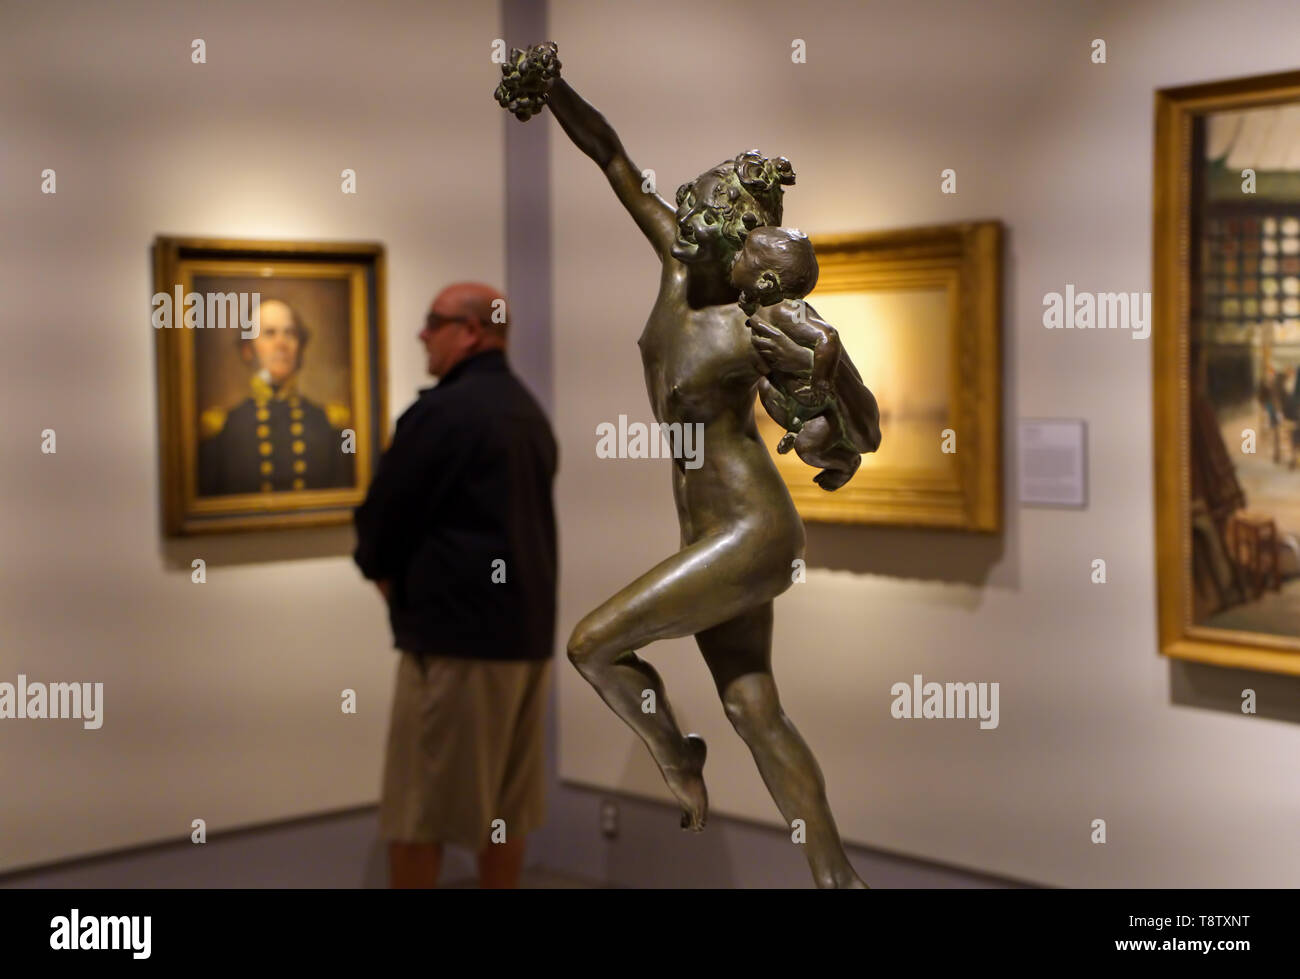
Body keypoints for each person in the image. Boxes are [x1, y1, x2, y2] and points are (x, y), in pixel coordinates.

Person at [499, 43, 874, 887]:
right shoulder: (674, 263)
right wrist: (555, 88)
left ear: (748, 234)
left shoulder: (762, 326)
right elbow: (613, 158)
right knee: (757, 707)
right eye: (698, 198)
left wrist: (831, 373)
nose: (694, 207)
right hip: (706, 526)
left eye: (715, 203)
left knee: (594, 644)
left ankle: (675, 749)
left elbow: (866, 427)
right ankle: (836, 873)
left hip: (752, 526)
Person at [353, 283, 558, 889]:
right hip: (526, 640)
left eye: (433, 322)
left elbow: (381, 523)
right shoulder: (527, 412)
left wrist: (385, 577)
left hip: (453, 647)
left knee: (420, 813)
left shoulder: (441, 414)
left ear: (470, 331)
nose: (422, 334)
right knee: (506, 809)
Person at [731, 225, 881, 490]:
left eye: (743, 255)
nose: (735, 257)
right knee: (766, 387)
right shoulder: (764, 305)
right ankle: (797, 425)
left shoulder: (786, 312)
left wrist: (820, 379)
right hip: (802, 405)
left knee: (807, 447)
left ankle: (845, 462)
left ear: (766, 281)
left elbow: (828, 337)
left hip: (822, 411)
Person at [198, 298, 353, 495]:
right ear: (248, 350)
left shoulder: (331, 423)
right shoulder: (221, 428)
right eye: (270, 333)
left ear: (300, 347)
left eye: (290, 333)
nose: (282, 343)